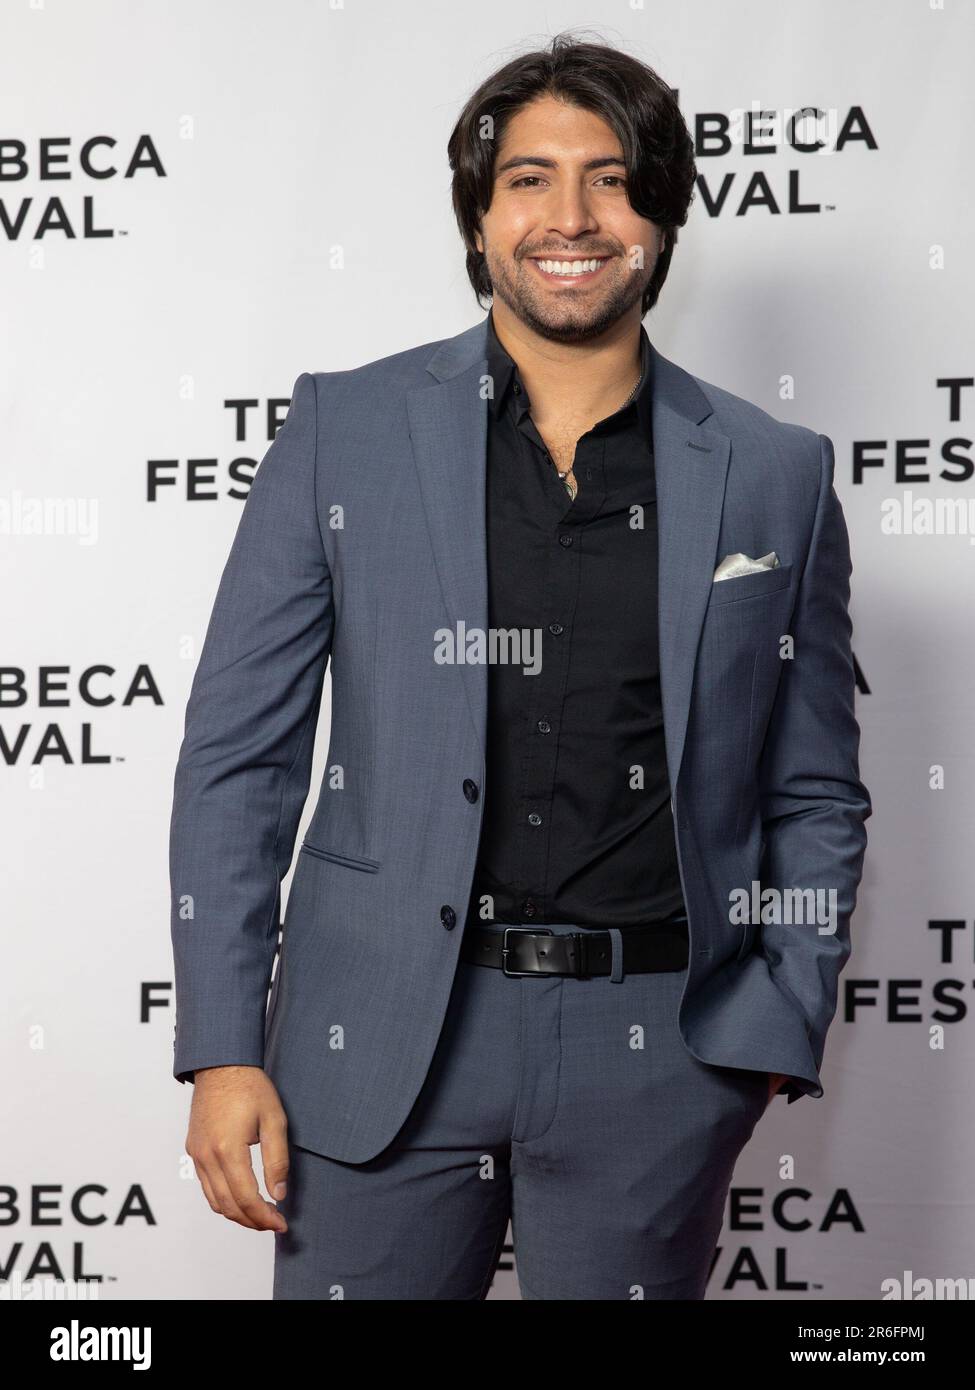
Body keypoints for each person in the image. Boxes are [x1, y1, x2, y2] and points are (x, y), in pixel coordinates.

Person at [169, 33, 871, 1300]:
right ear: (481, 218)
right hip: (380, 1038)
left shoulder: (776, 469)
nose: (572, 217)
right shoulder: (347, 430)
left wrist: (774, 1024)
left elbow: (815, 788)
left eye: (610, 179)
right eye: (531, 180)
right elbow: (241, 759)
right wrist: (223, 1047)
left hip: (657, 1053)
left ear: (659, 212)